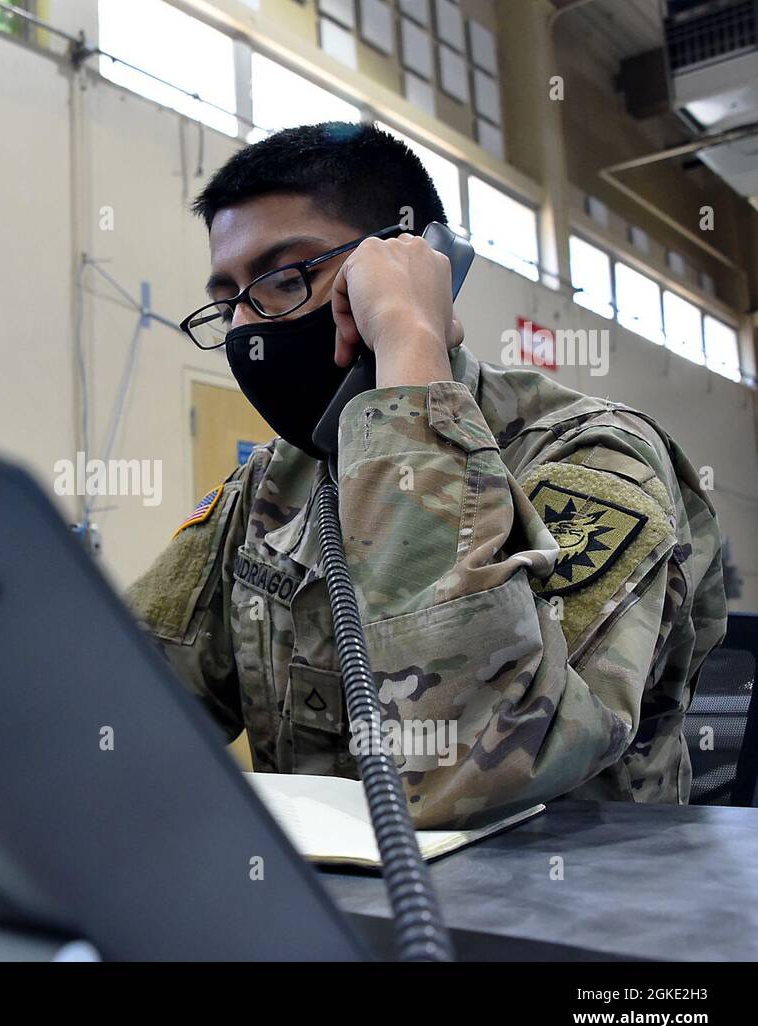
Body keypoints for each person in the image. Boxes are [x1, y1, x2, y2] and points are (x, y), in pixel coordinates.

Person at [125, 122, 727, 828]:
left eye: (285, 280)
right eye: (228, 302)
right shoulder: (270, 490)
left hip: (569, 920)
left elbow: (476, 764)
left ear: (417, 264)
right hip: (342, 919)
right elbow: (119, 703)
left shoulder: (591, 459)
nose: (245, 333)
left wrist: (408, 346)